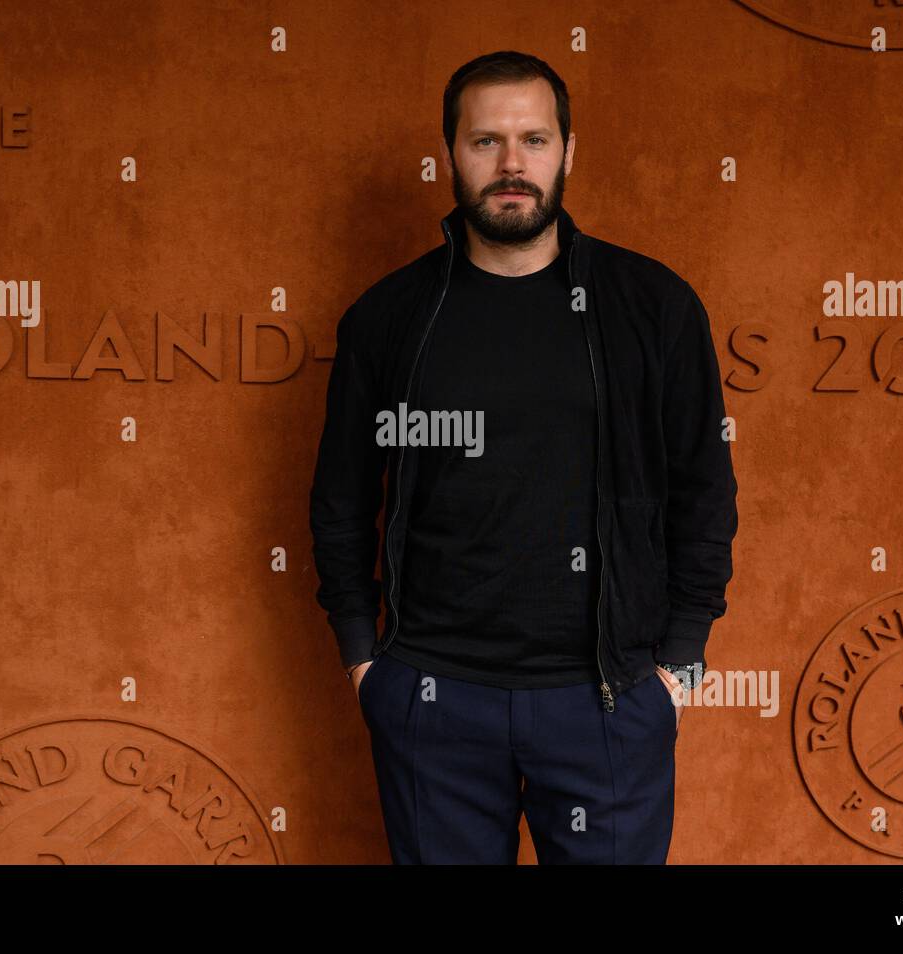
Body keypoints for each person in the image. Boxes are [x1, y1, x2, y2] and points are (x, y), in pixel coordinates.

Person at [309, 50, 737, 863]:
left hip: (607, 701)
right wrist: (366, 659)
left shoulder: (652, 305)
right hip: (433, 698)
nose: (512, 164)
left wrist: (681, 662)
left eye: (534, 140)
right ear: (450, 156)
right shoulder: (390, 317)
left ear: (568, 153)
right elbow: (341, 498)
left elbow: (704, 488)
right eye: (486, 142)